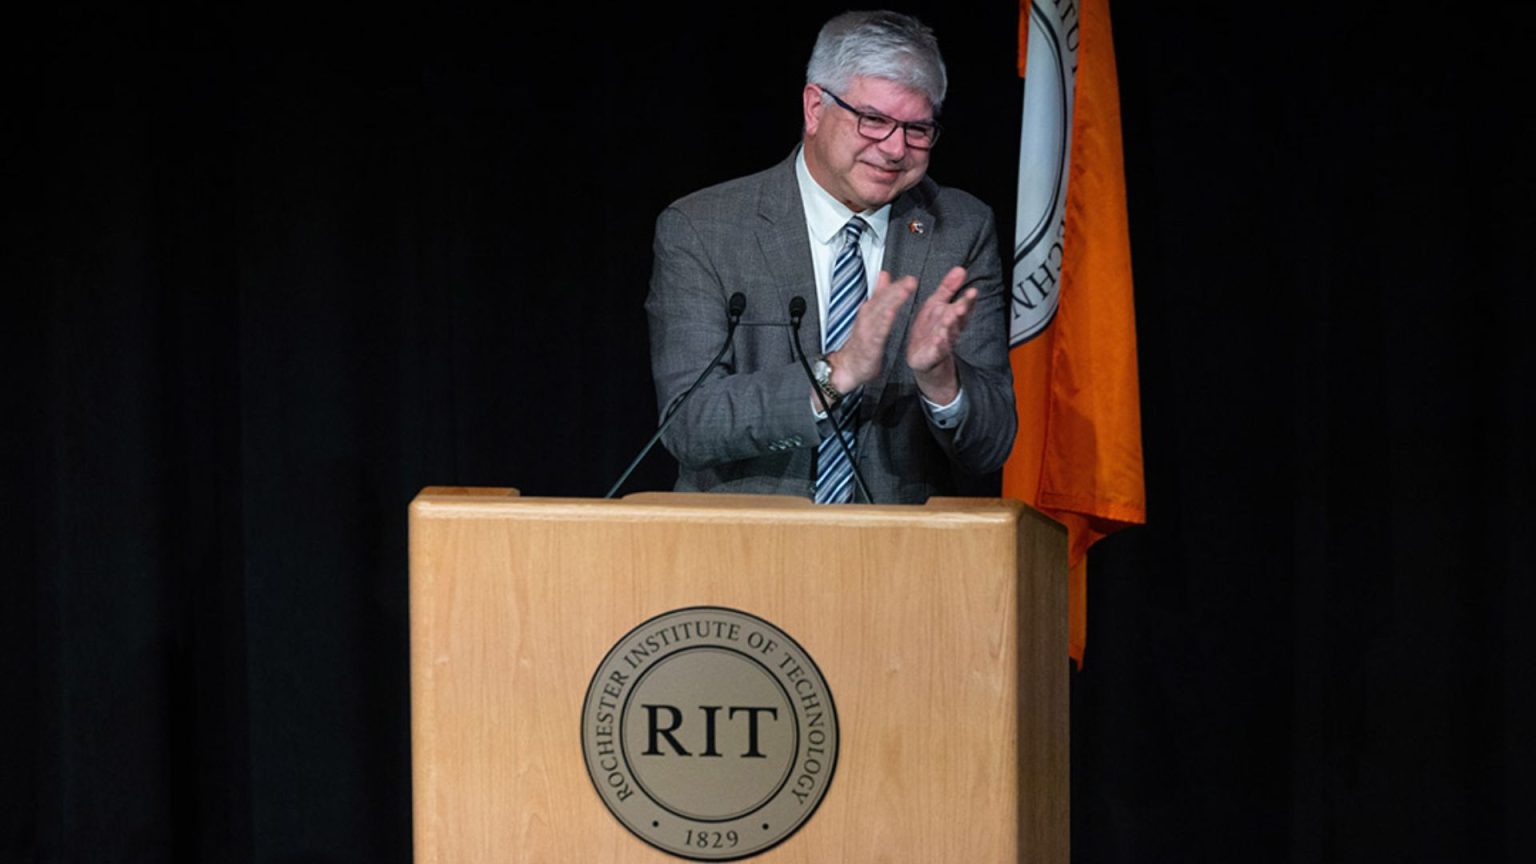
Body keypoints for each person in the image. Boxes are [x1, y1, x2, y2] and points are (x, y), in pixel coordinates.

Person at [645, 9, 1016, 504]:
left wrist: (940, 378)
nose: (894, 148)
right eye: (874, 120)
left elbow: (991, 447)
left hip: (904, 562)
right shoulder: (705, 229)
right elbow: (689, 424)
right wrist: (835, 374)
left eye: (917, 129)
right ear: (815, 107)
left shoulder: (960, 229)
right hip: (742, 553)